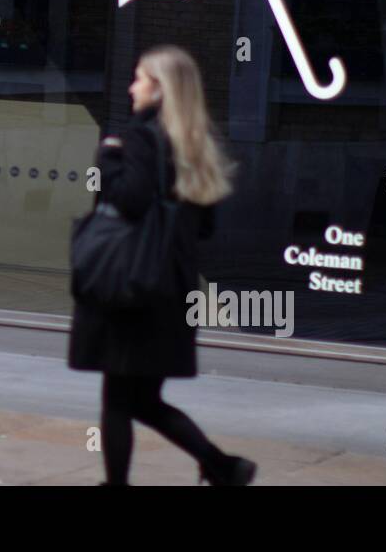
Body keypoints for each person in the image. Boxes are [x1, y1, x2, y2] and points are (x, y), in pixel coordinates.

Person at [69, 45, 256, 486]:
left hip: (130, 287)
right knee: (143, 398)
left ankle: (123, 484)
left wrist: (109, 156)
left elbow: (129, 200)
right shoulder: (194, 147)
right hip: (170, 289)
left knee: (118, 397)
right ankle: (224, 467)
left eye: (139, 78)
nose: (132, 86)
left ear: (159, 89)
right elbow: (205, 226)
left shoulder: (139, 138)